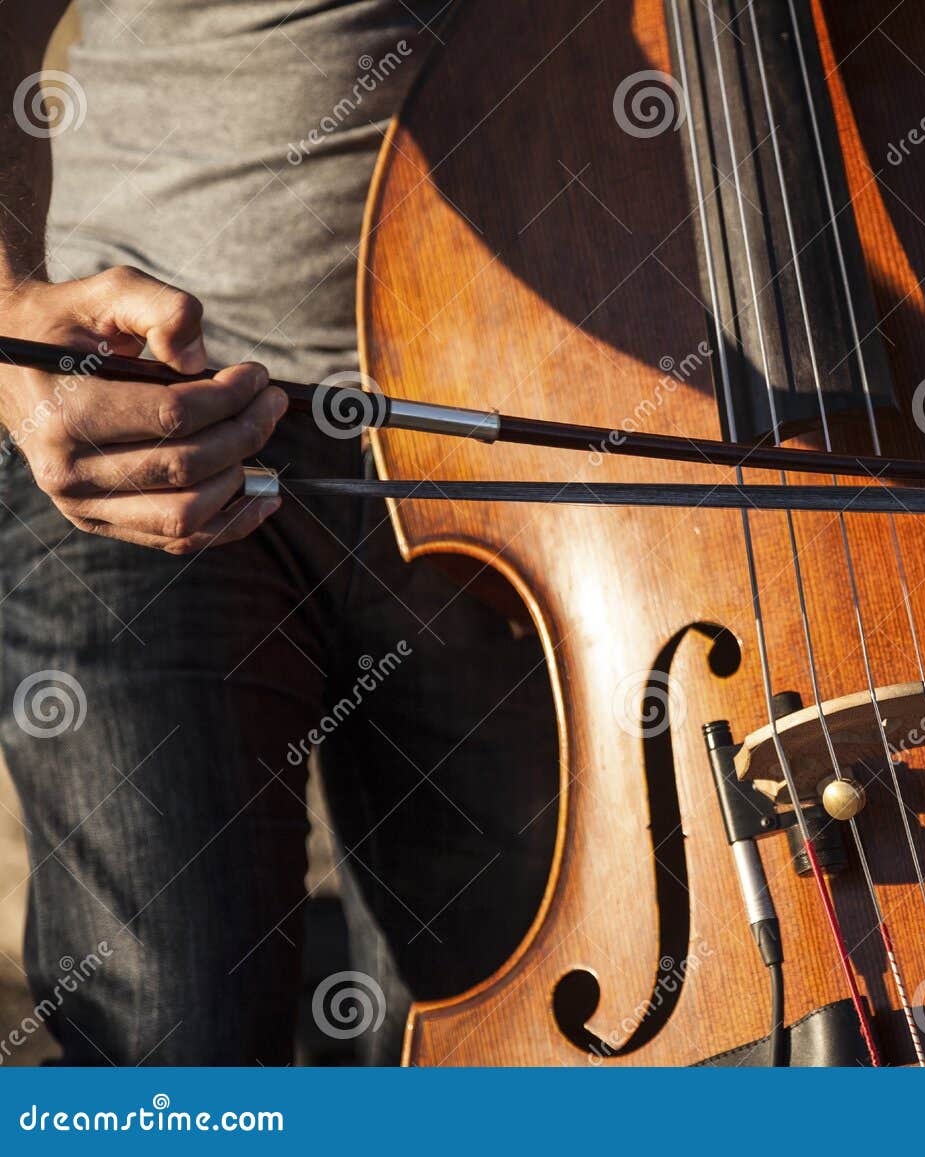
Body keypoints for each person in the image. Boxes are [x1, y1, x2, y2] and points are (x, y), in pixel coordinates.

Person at [0, 0, 557, 1064]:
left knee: (500, 1041)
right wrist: (11, 305)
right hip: (152, 404)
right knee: (169, 1043)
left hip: (525, 458)